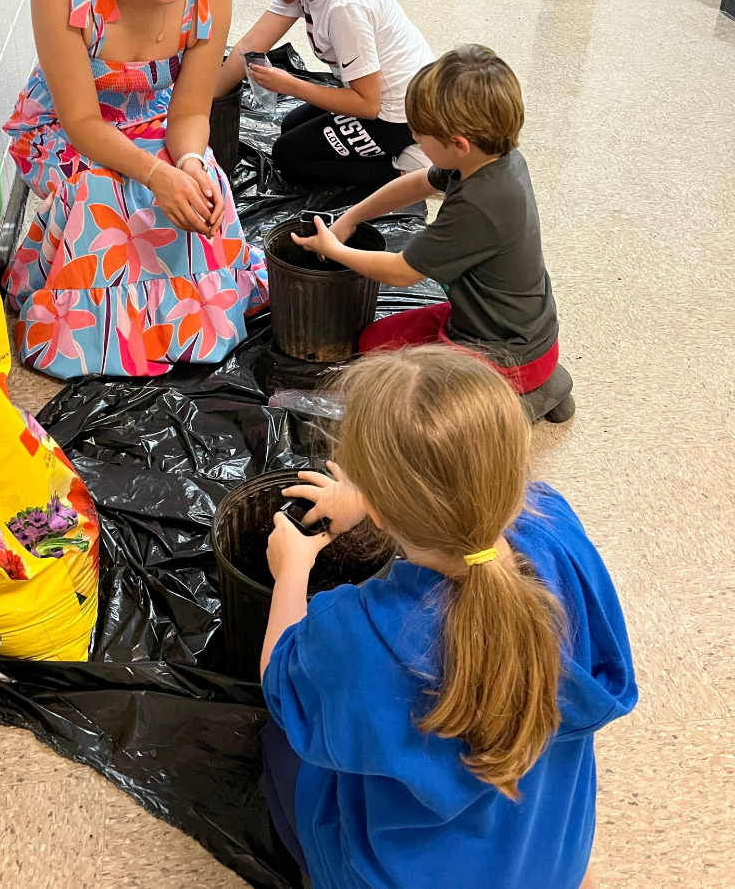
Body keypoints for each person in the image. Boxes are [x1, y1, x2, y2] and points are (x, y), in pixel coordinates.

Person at [260, 345, 637, 889]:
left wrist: (291, 573)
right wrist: (378, 497)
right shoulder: (556, 526)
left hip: (399, 876)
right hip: (550, 858)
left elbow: (279, 680)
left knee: (280, 735)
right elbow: (470, 505)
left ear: (382, 510)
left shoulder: (356, 631)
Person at [3, 0, 267, 380]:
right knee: (101, 190)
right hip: (67, 126)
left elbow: (190, 111)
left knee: (202, 186)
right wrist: (155, 174)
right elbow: (80, 122)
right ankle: (95, 329)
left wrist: (189, 163)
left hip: (155, 118)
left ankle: (174, 324)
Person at [290, 43, 575, 423]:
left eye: (419, 136)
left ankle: (525, 403)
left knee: (417, 411)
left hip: (505, 353)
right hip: (500, 326)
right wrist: (351, 218)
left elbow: (402, 273)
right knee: (375, 346)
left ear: (458, 144)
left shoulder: (479, 206)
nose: (414, 141)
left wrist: (335, 250)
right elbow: (418, 183)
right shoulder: (492, 158)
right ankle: (540, 382)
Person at [215, 0, 433, 191]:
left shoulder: (344, 5)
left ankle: (402, 170)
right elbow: (249, 46)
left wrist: (291, 85)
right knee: (289, 126)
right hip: (378, 95)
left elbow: (368, 105)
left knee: (288, 156)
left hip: (400, 112)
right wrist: (205, 99)